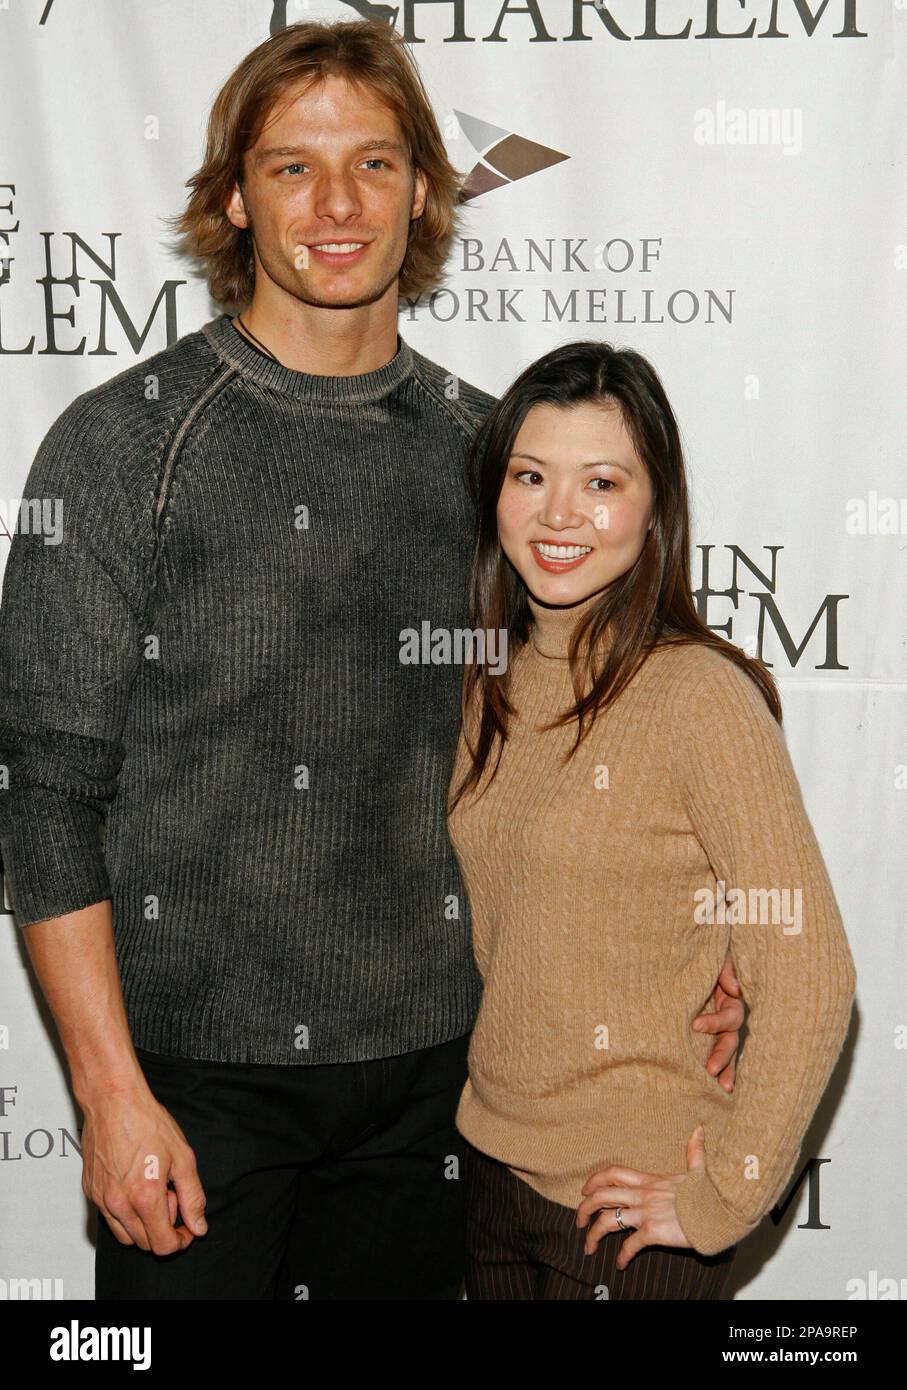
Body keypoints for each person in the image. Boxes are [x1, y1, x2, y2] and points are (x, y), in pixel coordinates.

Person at [0, 20, 742, 1302]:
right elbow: (45, 796)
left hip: (445, 1084)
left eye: (375, 164)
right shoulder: (119, 449)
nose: (337, 206)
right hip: (194, 1090)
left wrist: (713, 939)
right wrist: (109, 1092)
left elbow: (594, 735)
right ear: (234, 196)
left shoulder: (487, 457)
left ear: (424, 192)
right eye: (292, 167)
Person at [447, 340, 857, 1300]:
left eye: (600, 481)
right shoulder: (486, 682)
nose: (558, 513)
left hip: (627, 1211)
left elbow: (808, 967)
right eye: (530, 475)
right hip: (488, 1176)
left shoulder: (695, 696)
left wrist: (724, 1197)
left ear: (652, 504)